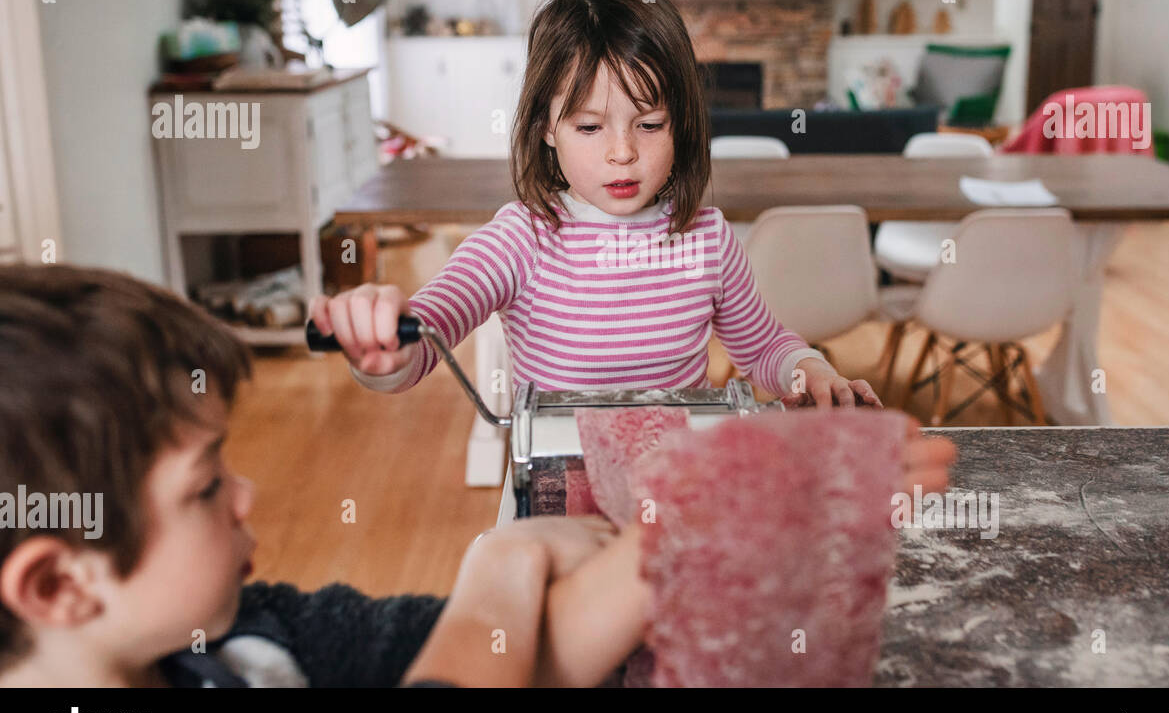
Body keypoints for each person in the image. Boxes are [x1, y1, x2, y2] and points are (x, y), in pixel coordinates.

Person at [0, 265, 953, 687]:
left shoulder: (260, 636)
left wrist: (719, 509)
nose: (250, 495)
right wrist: (501, 558)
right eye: (207, 486)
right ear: (57, 580)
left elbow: (519, 657)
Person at [310, 0, 881, 410]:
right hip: (559, 492)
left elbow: (762, 350)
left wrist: (811, 371)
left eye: (649, 125)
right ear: (546, 129)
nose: (622, 151)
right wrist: (385, 347)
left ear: (681, 126)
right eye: (589, 127)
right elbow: (431, 331)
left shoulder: (707, 238)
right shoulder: (521, 239)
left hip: (676, 482)